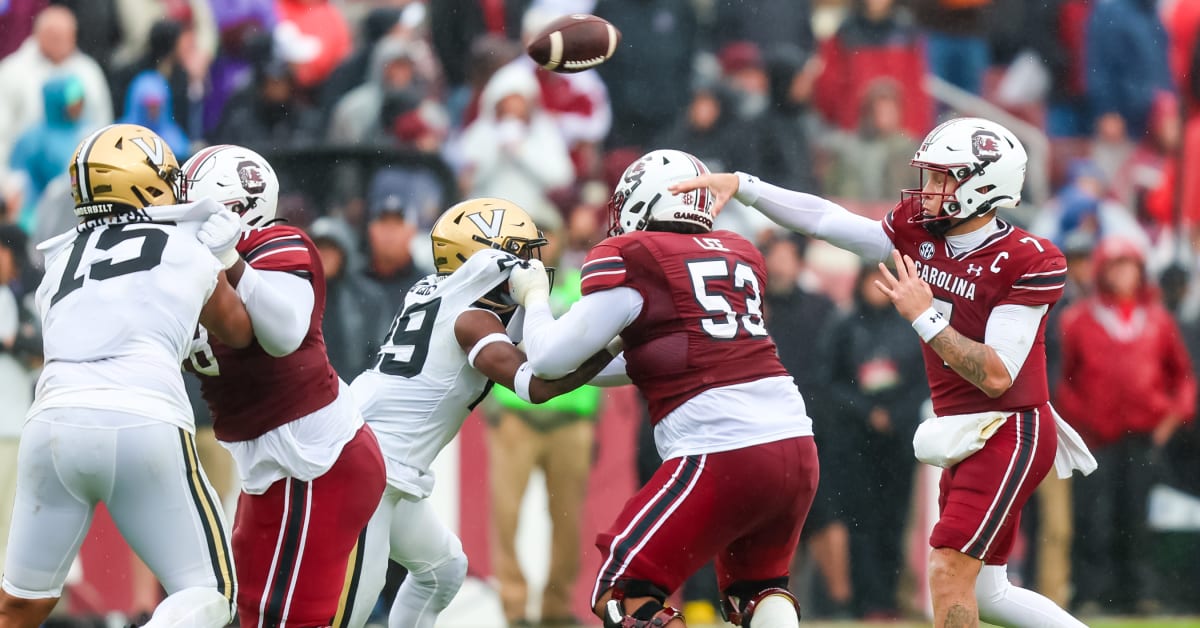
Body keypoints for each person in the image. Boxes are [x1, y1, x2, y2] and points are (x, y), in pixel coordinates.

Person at [671, 117, 1095, 628]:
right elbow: (829, 220)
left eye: (944, 178)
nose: (929, 189)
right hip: (964, 428)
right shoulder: (918, 231)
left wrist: (924, 315)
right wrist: (745, 187)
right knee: (987, 593)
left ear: (984, 185)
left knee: (946, 566)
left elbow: (998, 374)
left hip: (1009, 427)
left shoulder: (1027, 259)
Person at [508, 149, 818, 628]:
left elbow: (550, 357)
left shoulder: (637, 257)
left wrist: (533, 298)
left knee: (623, 591)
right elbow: (665, 356)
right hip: (795, 447)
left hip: (723, 448)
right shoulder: (739, 251)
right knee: (757, 589)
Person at [0, 123, 252, 628]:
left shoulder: (59, 260)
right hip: (143, 420)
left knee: (21, 605)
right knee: (212, 595)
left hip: (51, 425)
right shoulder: (186, 245)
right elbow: (240, 332)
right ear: (142, 182)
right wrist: (227, 258)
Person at [340, 198, 614, 628]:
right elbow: (538, 384)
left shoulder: (431, 292)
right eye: (522, 256)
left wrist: (622, 356)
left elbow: (547, 355)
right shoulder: (472, 320)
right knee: (350, 610)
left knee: (441, 571)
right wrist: (600, 337)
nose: (532, 267)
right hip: (370, 467)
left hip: (384, 463)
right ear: (490, 257)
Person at [180, 144, 387, 628]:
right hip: (273, 466)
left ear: (233, 208)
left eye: (191, 207)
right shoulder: (186, 268)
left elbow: (285, 334)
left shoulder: (276, 244)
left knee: (284, 620)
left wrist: (231, 259)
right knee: (246, 613)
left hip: (314, 459)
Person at [1054, 235, 1195, 615]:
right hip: (1096, 438)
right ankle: (1091, 594)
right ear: (1102, 270)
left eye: (1129, 265)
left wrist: (1170, 419)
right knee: (1093, 518)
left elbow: (1182, 379)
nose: (1122, 274)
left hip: (1143, 436)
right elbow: (1061, 381)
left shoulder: (1158, 320)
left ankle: (1138, 593)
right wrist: (1081, 420)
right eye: (1115, 265)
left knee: (1136, 517)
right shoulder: (1078, 319)